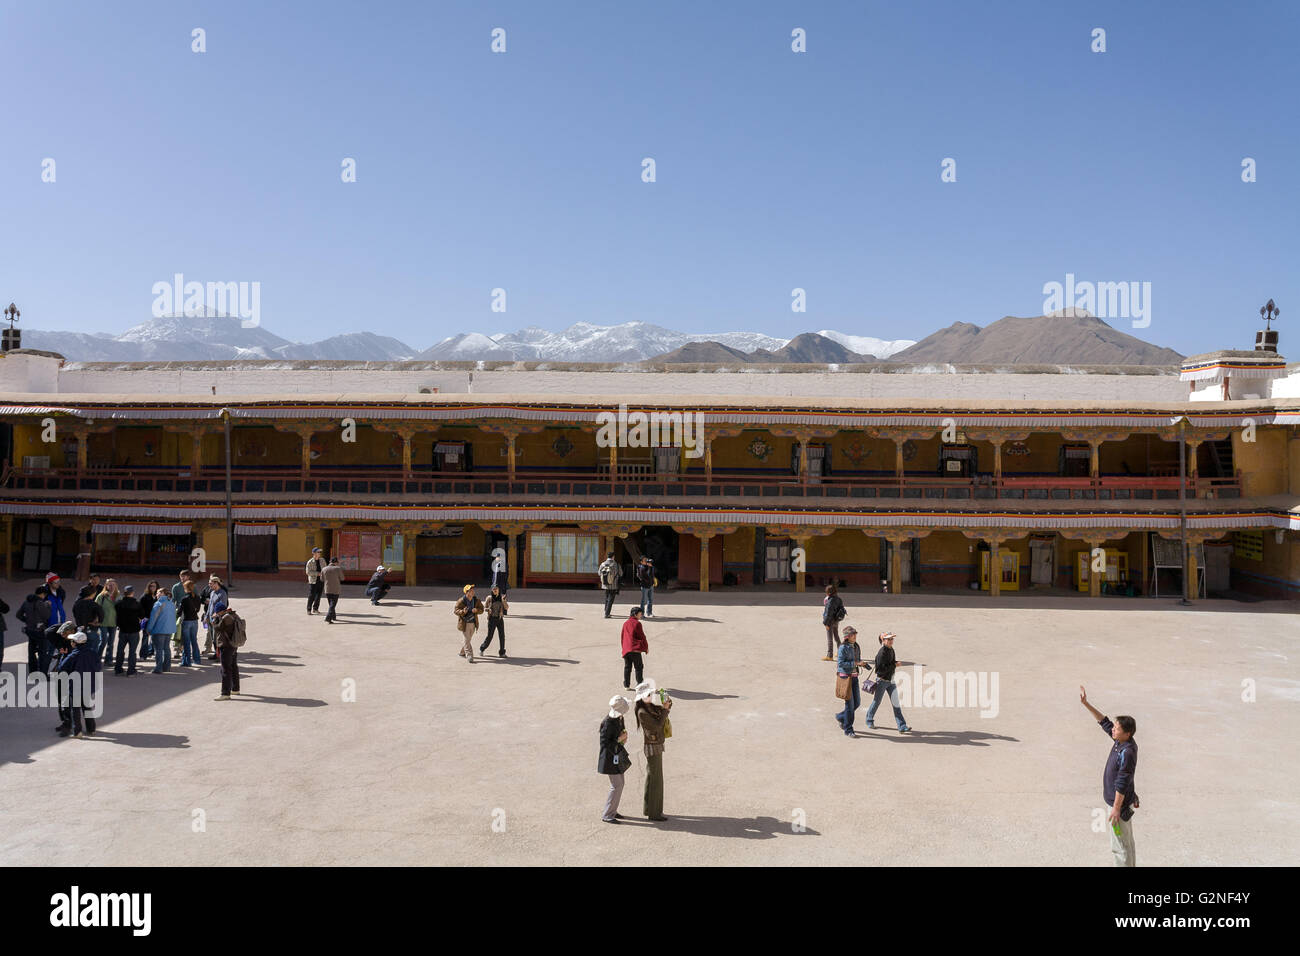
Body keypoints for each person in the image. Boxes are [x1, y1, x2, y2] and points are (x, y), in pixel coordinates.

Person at [1079, 686, 1139, 867]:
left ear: (1127, 733)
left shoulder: (1127, 751)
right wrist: (1086, 704)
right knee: (1126, 843)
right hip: (1119, 803)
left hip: (1117, 806)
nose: (1113, 729)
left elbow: (1122, 782)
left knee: (1120, 846)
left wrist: (1116, 809)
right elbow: (1103, 721)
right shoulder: (1121, 741)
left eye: (1117, 728)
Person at [634, 680, 673, 821]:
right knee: (656, 779)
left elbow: (663, 710)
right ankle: (655, 813)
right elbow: (657, 726)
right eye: (648, 694)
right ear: (641, 697)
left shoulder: (648, 706)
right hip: (652, 747)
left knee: (652, 777)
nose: (651, 696)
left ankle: (650, 809)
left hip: (655, 745)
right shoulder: (642, 712)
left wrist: (667, 703)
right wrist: (665, 710)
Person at [864, 631, 910, 733]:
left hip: (891, 681)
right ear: (883, 641)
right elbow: (880, 670)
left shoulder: (891, 650)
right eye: (888, 639)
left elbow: (889, 663)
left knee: (896, 703)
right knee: (877, 702)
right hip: (882, 681)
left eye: (892, 639)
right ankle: (869, 720)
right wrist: (894, 665)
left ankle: (902, 726)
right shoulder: (881, 653)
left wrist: (894, 663)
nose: (891, 641)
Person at [598, 695, 632, 823]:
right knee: (617, 785)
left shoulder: (618, 718)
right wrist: (620, 739)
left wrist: (623, 736)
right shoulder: (607, 723)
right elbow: (605, 744)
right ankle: (607, 814)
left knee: (620, 784)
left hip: (616, 755)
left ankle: (612, 810)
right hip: (609, 759)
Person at [62, 627, 101, 739]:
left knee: (75, 709)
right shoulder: (93, 653)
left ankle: (77, 731)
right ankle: (91, 729)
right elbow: (98, 667)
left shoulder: (73, 655)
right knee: (87, 707)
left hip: (76, 686)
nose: (71, 642)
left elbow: (62, 667)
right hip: (89, 685)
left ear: (75, 643)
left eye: (72, 640)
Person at [835, 626, 863, 736]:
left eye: (855, 634)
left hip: (855, 677)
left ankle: (841, 717)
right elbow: (840, 664)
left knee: (857, 703)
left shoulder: (856, 646)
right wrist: (855, 663)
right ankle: (848, 729)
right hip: (846, 678)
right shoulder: (843, 648)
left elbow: (857, 659)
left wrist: (862, 663)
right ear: (847, 637)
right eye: (852, 634)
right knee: (850, 705)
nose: (855, 636)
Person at [17, 585, 52, 674]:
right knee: (42, 653)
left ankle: (32, 673)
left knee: (31, 652)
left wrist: (27, 621)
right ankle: (42, 674)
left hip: (30, 630)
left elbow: (18, 615)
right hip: (40, 632)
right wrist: (48, 605)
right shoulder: (40, 603)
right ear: (43, 594)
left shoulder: (26, 602)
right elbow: (47, 615)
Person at [212, 605, 242, 700]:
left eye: (217, 612)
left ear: (220, 611)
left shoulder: (226, 618)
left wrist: (215, 620)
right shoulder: (234, 615)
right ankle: (235, 688)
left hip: (226, 646)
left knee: (225, 669)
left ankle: (225, 693)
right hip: (233, 644)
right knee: (233, 666)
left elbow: (218, 628)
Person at [113, 584, 143, 676]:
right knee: (132, 651)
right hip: (134, 630)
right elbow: (142, 616)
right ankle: (131, 670)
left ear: (124, 593)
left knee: (120, 650)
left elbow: (116, 614)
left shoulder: (118, 603)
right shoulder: (137, 604)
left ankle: (118, 669)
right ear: (132, 593)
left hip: (122, 630)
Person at [145, 588, 176, 673]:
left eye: (158, 592)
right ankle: (167, 667)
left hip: (159, 630)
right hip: (169, 630)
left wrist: (149, 629)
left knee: (158, 650)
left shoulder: (158, 604)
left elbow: (153, 618)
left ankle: (158, 668)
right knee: (166, 649)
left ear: (162, 593)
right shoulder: (172, 604)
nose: (156, 594)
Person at [71, 585, 104, 659]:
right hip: (91, 629)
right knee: (92, 650)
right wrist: (99, 622)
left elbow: (74, 613)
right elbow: (101, 612)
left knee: (81, 650)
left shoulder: (77, 604)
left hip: (80, 630)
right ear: (92, 594)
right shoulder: (93, 604)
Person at [620, 606, 648, 690]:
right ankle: (639, 685)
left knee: (627, 668)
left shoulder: (625, 623)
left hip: (627, 649)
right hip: (635, 649)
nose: (641, 615)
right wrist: (645, 647)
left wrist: (624, 648)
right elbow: (642, 636)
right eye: (640, 614)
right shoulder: (637, 623)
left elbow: (622, 637)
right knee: (639, 667)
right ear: (635, 614)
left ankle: (626, 685)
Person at [454, 584, 483, 663]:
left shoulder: (476, 600)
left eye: (473, 590)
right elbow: (455, 610)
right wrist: (463, 611)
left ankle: (462, 652)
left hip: (473, 623)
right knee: (467, 640)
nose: (473, 592)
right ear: (466, 592)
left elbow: (482, 609)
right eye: (471, 591)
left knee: (468, 639)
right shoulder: (461, 601)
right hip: (465, 623)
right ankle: (469, 655)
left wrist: (476, 610)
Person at [95, 578, 120, 668]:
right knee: (103, 641)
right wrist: (96, 620)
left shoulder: (118, 595)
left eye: (113, 584)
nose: (111, 586)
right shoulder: (101, 596)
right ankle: (97, 659)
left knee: (111, 642)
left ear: (116, 586)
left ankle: (108, 660)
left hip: (113, 622)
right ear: (106, 586)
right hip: (103, 622)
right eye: (109, 585)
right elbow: (96, 608)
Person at [178, 580, 203, 666]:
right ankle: (197, 660)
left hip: (187, 621)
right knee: (194, 641)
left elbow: (179, 612)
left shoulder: (184, 599)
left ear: (186, 588)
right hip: (195, 621)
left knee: (186, 642)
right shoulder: (197, 597)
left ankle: (186, 661)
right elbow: (198, 610)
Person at [479, 584, 508, 657]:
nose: (495, 590)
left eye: (496, 589)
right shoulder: (489, 598)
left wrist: (503, 600)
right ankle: (482, 649)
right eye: (494, 589)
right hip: (492, 619)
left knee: (502, 636)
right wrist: (488, 609)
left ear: (498, 590)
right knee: (490, 636)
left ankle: (502, 652)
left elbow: (506, 608)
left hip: (499, 619)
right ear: (492, 590)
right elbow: (484, 608)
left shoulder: (501, 598)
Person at [206, 576, 228, 661]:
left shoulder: (222, 593)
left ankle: (220, 656)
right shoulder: (212, 592)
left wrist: (216, 615)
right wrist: (207, 616)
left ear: (216, 583)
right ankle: (216, 653)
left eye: (211, 583)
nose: (209, 585)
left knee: (218, 638)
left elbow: (223, 607)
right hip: (211, 619)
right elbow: (210, 606)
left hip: (217, 620)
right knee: (213, 638)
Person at [822, 584, 845, 661]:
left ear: (828, 592)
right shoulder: (838, 599)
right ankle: (840, 652)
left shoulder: (830, 601)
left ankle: (830, 655)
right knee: (836, 636)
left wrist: (826, 623)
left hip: (830, 621)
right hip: (836, 620)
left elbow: (828, 613)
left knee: (830, 639)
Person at [138, 581, 159, 660]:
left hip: (156, 620)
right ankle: (143, 655)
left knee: (155, 637)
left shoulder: (158, 596)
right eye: (151, 586)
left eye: (154, 586)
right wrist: (143, 617)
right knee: (145, 637)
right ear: (148, 587)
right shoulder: (144, 596)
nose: (153, 588)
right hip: (147, 619)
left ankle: (151, 652)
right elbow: (140, 607)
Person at [598, 552, 622, 618]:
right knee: (611, 599)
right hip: (613, 584)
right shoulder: (616, 564)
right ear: (613, 557)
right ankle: (607, 614)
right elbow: (621, 573)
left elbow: (599, 573)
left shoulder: (603, 564)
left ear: (607, 556)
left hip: (605, 584)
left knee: (607, 598)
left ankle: (606, 610)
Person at [321, 556, 344, 623]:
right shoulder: (338, 568)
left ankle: (333, 617)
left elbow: (322, 579)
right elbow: (342, 578)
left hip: (327, 589)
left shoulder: (324, 569)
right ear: (336, 562)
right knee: (333, 604)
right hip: (336, 589)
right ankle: (328, 618)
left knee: (331, 604)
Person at [305, 547, 325, 615]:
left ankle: (315, 609)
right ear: (314, 553)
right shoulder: (310, 562)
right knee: (312, 595)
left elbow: (325, 568)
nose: (319, 553)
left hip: (321, 580)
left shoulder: (322, 560)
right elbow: (308, 572)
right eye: (318, 552)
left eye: (320, 552)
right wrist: (317, 574)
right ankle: (309, 609)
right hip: (313, 581)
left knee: (318, 595)